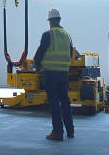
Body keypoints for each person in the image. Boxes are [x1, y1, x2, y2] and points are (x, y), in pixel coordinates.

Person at [33, 8, 77, 141]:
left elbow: (39, 53)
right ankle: (70, 131)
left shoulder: (48, 35)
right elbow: (70, 54)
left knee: (54, 103)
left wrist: (37, 66)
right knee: (65, 102)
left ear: (50, 21)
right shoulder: (67, 35)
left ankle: (57, 132)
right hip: (64, 73)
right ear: (59, 20)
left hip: (51, 74)